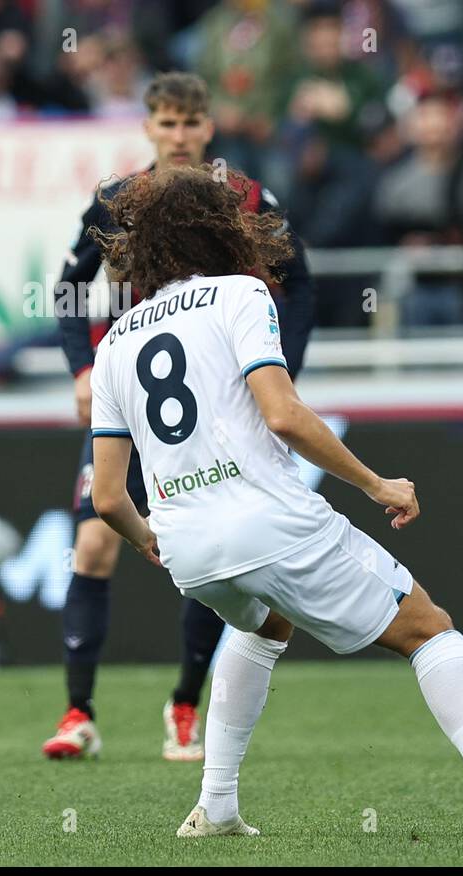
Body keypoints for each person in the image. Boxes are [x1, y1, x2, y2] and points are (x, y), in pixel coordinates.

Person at [86, 163, 463, 840]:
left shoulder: (116, 341)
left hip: (186, 546)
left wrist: (150, 538)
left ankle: (217, 808)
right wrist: (377, 484)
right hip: (265, 522)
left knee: (262, 623)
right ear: (217, 229)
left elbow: (108, 494)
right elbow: (285, 415)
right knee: (429, 628)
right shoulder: (240, 295)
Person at [44, 72, 314, 762]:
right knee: (96, 541)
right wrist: (82, 367)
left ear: (209, 127)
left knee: (209, 544)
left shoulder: (246, 198)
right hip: (134, 394)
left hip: (216, 402)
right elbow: (70, 288)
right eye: (166, 123)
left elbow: (300, 283)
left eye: (190, 123)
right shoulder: (114, 201)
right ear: (148, 128)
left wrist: (282, 372)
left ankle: (186, 702)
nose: (180, 135)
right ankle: (78, 713)